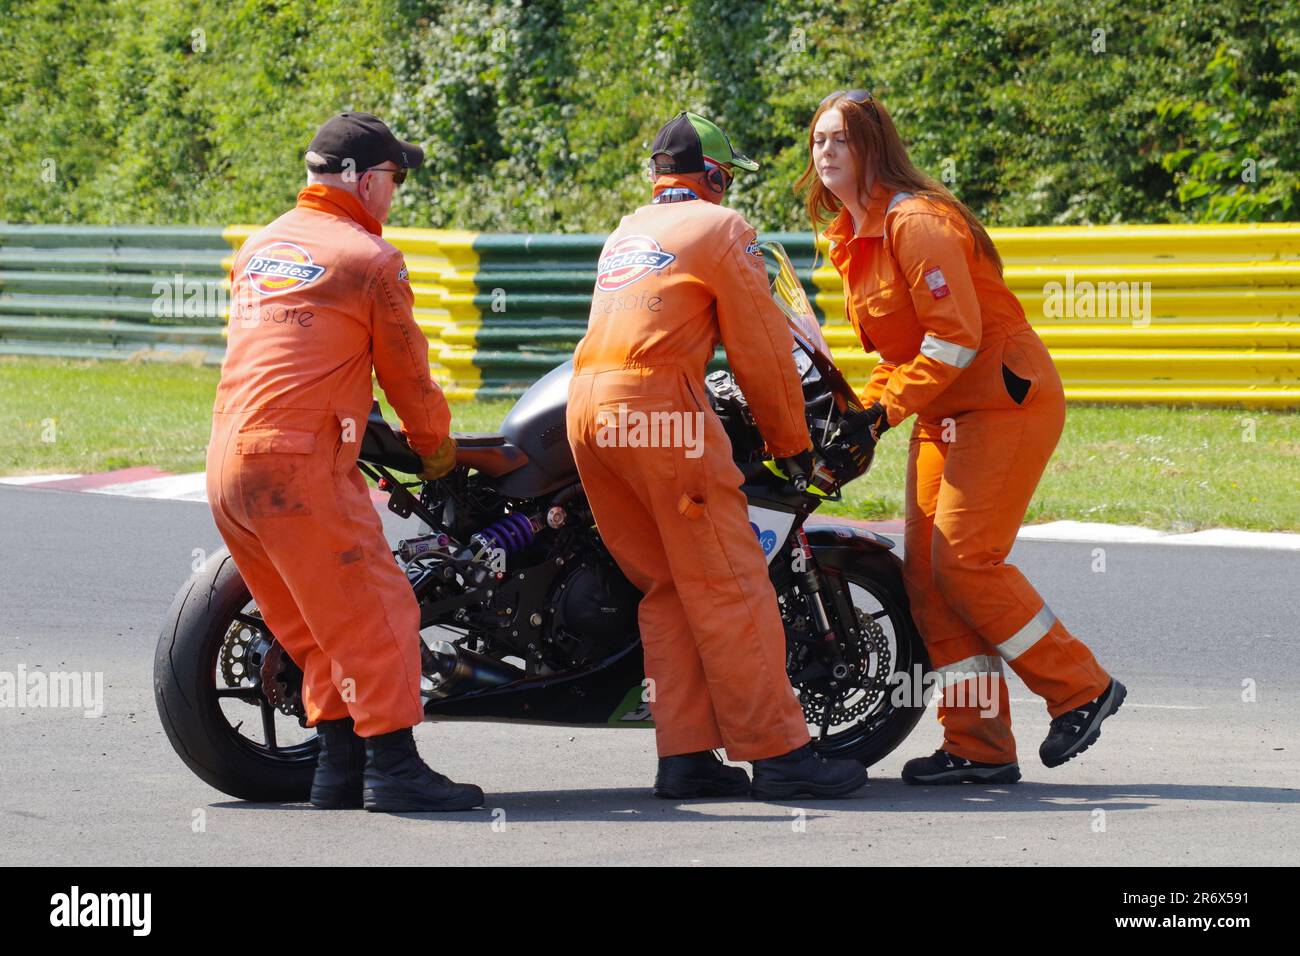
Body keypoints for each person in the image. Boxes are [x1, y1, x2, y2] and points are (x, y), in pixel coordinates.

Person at [798, 90, 1126, 784]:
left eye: (841, 141)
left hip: (1004, 402)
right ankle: (978, 746)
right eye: (818, 141)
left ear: (872, 148)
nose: (825, 153)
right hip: (943, 410)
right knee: (928, 579)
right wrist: (853, 407)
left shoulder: (916, 223)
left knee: (966, 563)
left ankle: (1081, 688)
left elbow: (956, 337)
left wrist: (883, 414)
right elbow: (900, 350)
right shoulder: (850, 238)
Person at [566, 110, 869, 800]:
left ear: (656, 177)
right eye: (726, 178)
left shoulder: (628, 231)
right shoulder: (720, 228)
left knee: (671, 587)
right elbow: (761, 350)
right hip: (660, 418)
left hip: (589, 414)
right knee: (732, 584)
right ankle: (784, 757)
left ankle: (687, 758)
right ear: (712, 178)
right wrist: (792, 444)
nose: (727, 191)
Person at [208, 112, 482, 812]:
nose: (395, 194)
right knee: (379, 609)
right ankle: (394, 768)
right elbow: (410, 379)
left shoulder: (260, 247)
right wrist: (439, 455)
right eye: (394, 179)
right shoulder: (369, 260)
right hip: (298, 466)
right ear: (364, 181)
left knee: (317, 624)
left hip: (227, 464)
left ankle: (338, 768)